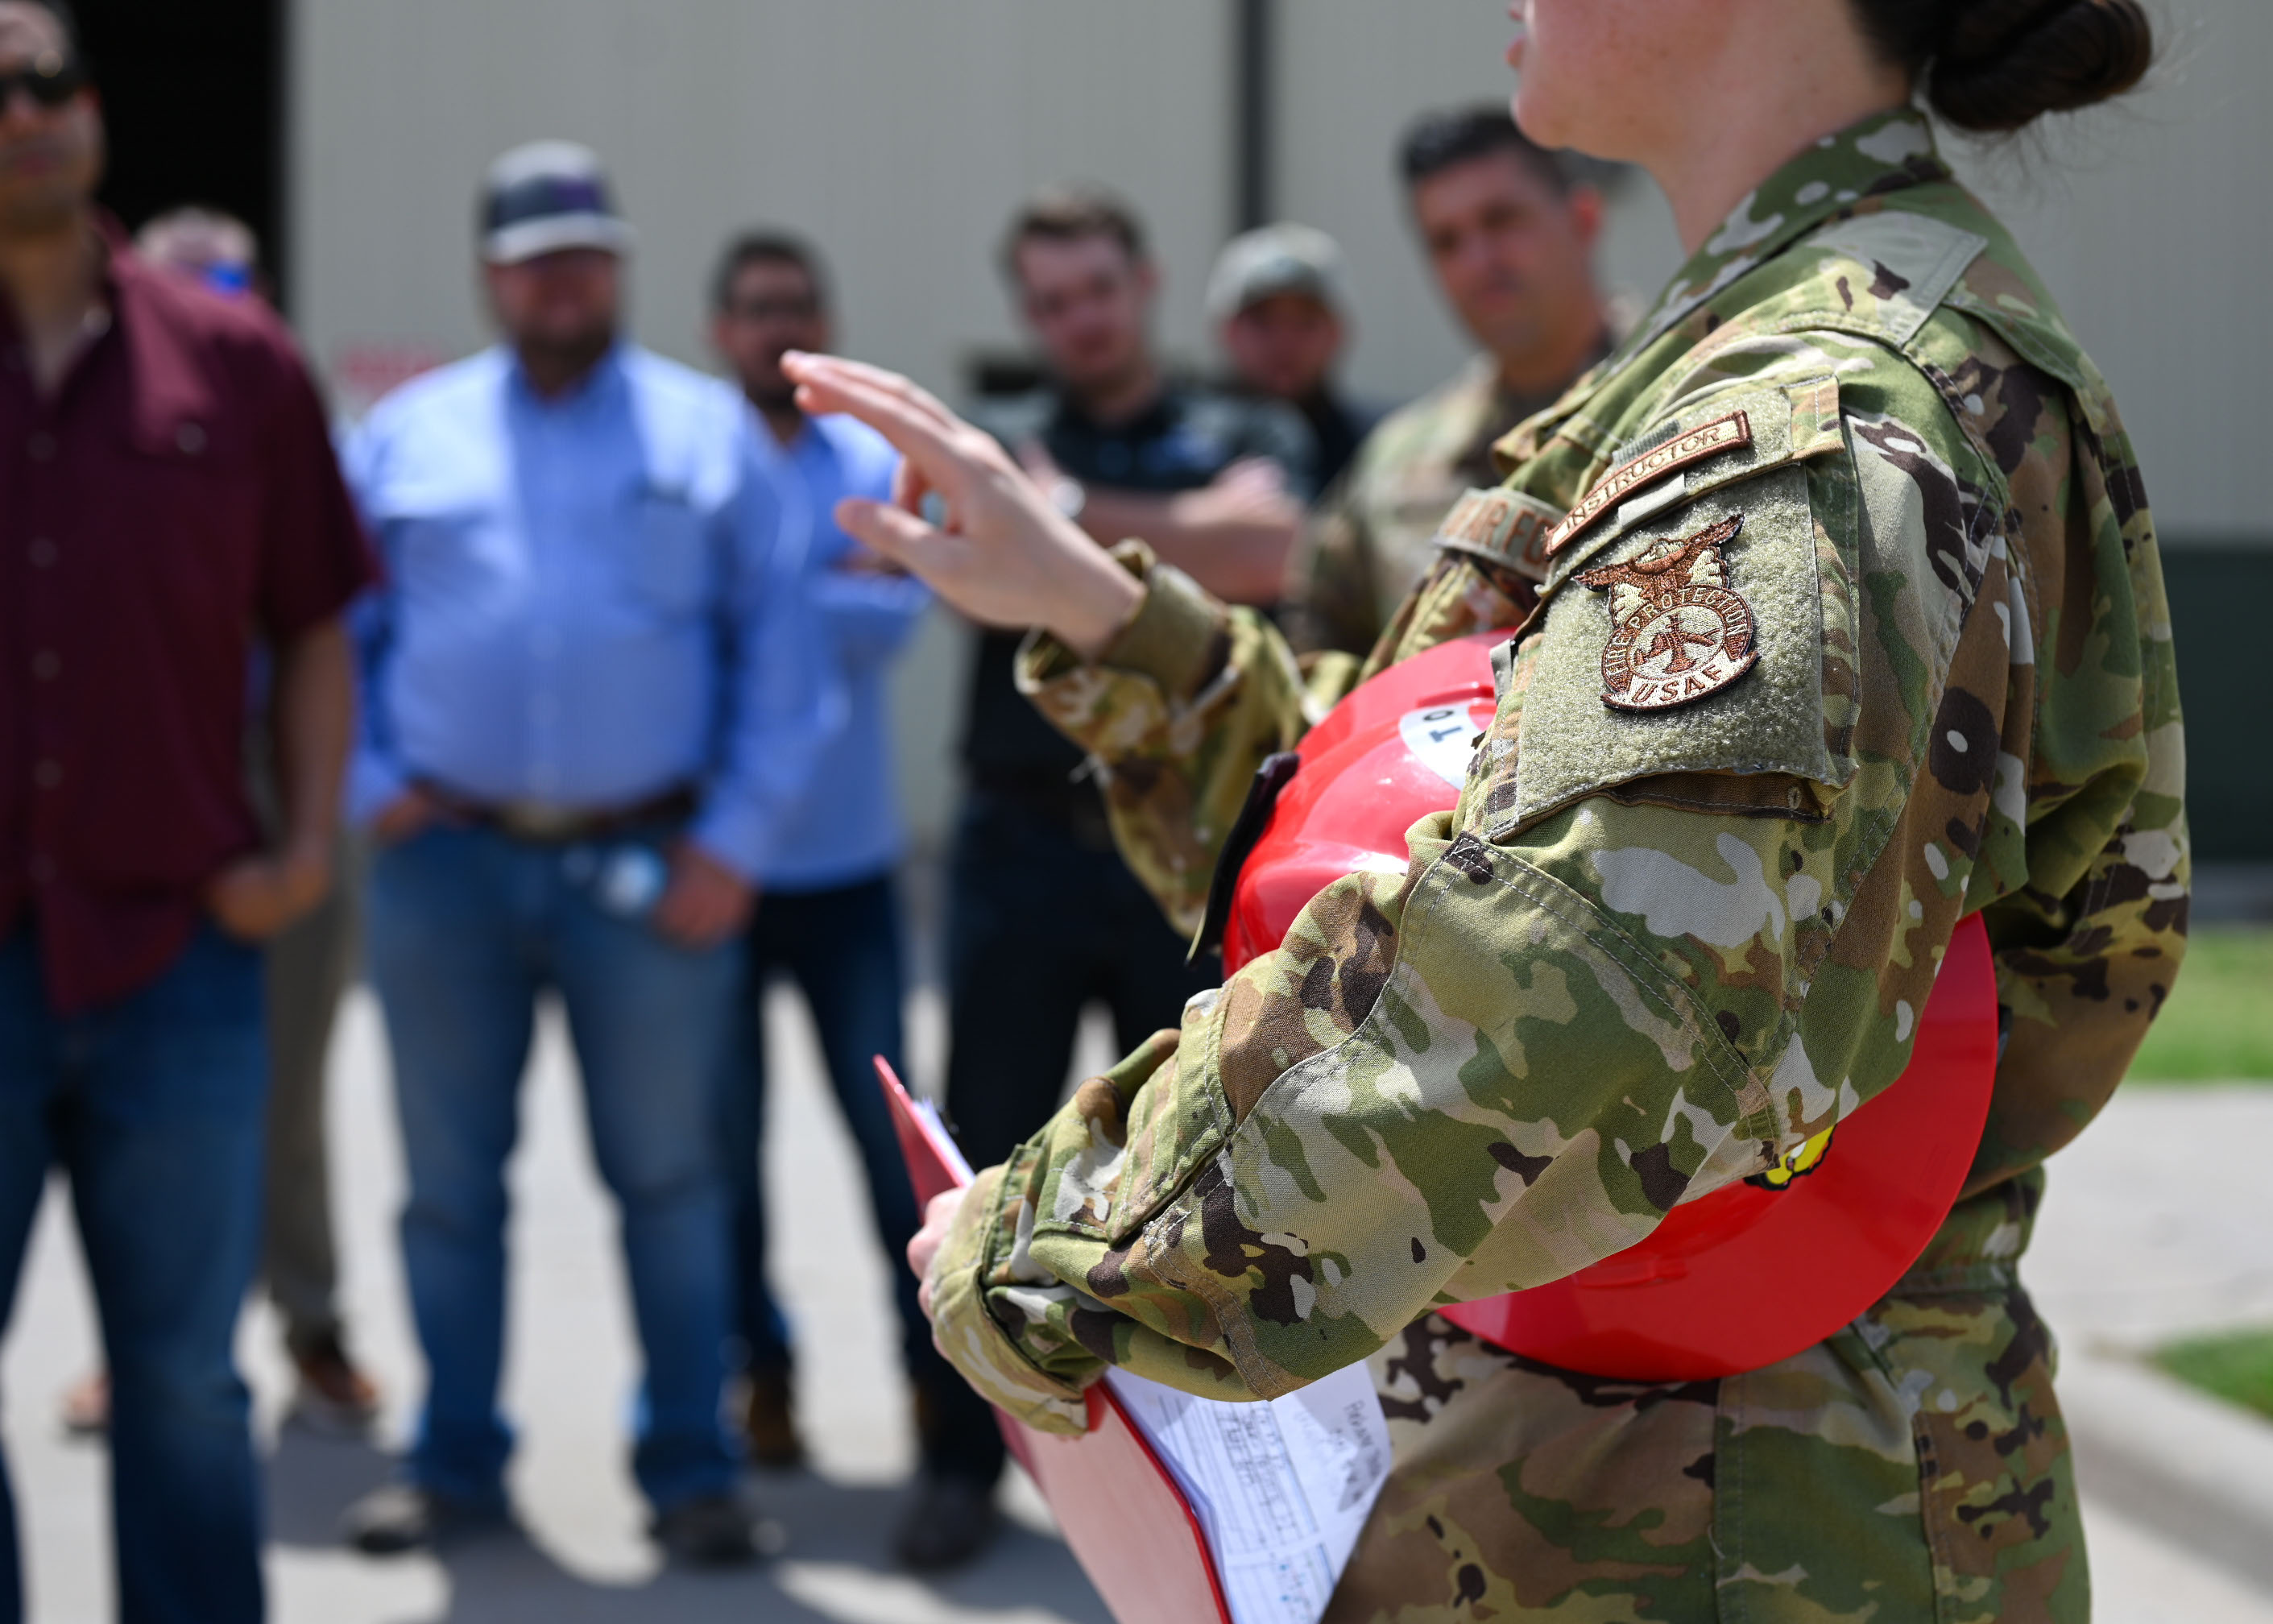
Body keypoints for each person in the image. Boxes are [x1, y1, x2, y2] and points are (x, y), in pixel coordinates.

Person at [793, 0, 2186, 1614]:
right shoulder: (1771, 339)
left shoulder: (1815, 409)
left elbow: (1574, 990)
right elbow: (1448, 810)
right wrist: (1115, 623)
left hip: (1724, 1528)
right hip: (1665, 1492)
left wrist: (1066, 1246)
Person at [339, 141, 832, 1568]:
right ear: (492, 274)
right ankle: (451, 1466)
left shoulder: (706, 435)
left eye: (591, 253)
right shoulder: (404, 434)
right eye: (540, 255)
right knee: (446, 1188)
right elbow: (331, 635)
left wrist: (734, 844)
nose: (568, 278)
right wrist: (370, 780)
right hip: (446, 865)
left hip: (652, 872)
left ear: (618, 266)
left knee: (672, 1184)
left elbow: (782, 656)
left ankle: (691, 1470)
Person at [0, 1, 375, 1617]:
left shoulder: (233, 360)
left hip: (180, 952)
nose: (24, 112)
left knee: (182, 1388)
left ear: (91, 111)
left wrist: (302, 851)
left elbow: (311, 619)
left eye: (48, 82)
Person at [916, 185, 1315, 1568]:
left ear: (1142, 281)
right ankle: (958, 1464)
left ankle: (1200, 1489)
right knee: (978, 1169)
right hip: (1020, 846)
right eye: (1049, 301)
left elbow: (1267, 552)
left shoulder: (1250, 429)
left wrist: (1062, 518)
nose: (1075, 319)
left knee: (1196, 1170)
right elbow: (1004, 554)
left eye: (1094, 288)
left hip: (1187, 855)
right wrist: (1159, 524)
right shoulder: (1002, 444)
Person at [50, 207, 382, 1447]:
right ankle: (125, 1346)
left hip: (265, 788)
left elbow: (351, 633)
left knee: (279, 1097)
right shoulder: (81, 422)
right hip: (122, 807)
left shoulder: (296, 424)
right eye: (185, 283)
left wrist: (319, 822)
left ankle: (310, 1324)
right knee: (117, 1112)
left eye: (230, 282)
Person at [702, 230, 955, 1539]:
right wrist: (829, 589)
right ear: (717, 329)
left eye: (794, 309)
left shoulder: (873, 464)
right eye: (752, 311)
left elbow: (893, 618)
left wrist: (788, 601)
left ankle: (927, 1390)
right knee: (722, 1150)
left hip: (848, 871)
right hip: (724, 879)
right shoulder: (696, 465)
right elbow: (723, 627)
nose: (770, 328)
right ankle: (768, 1380)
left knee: (883, 1153)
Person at [1282, 106, 1613, 658]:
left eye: (1501, 220)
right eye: (1446, 241)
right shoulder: (1393, 463)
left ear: (1582, 219)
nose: (1479, 261)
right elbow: (1320, 671)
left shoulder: (1695, 406)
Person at [1207, 222, 1377, 490]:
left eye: (1305, 321)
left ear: (1337, 332)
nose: (1284, 341)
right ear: (1228, 332)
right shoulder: (1181, 446)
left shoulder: (1383, 450)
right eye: (1263, 321)